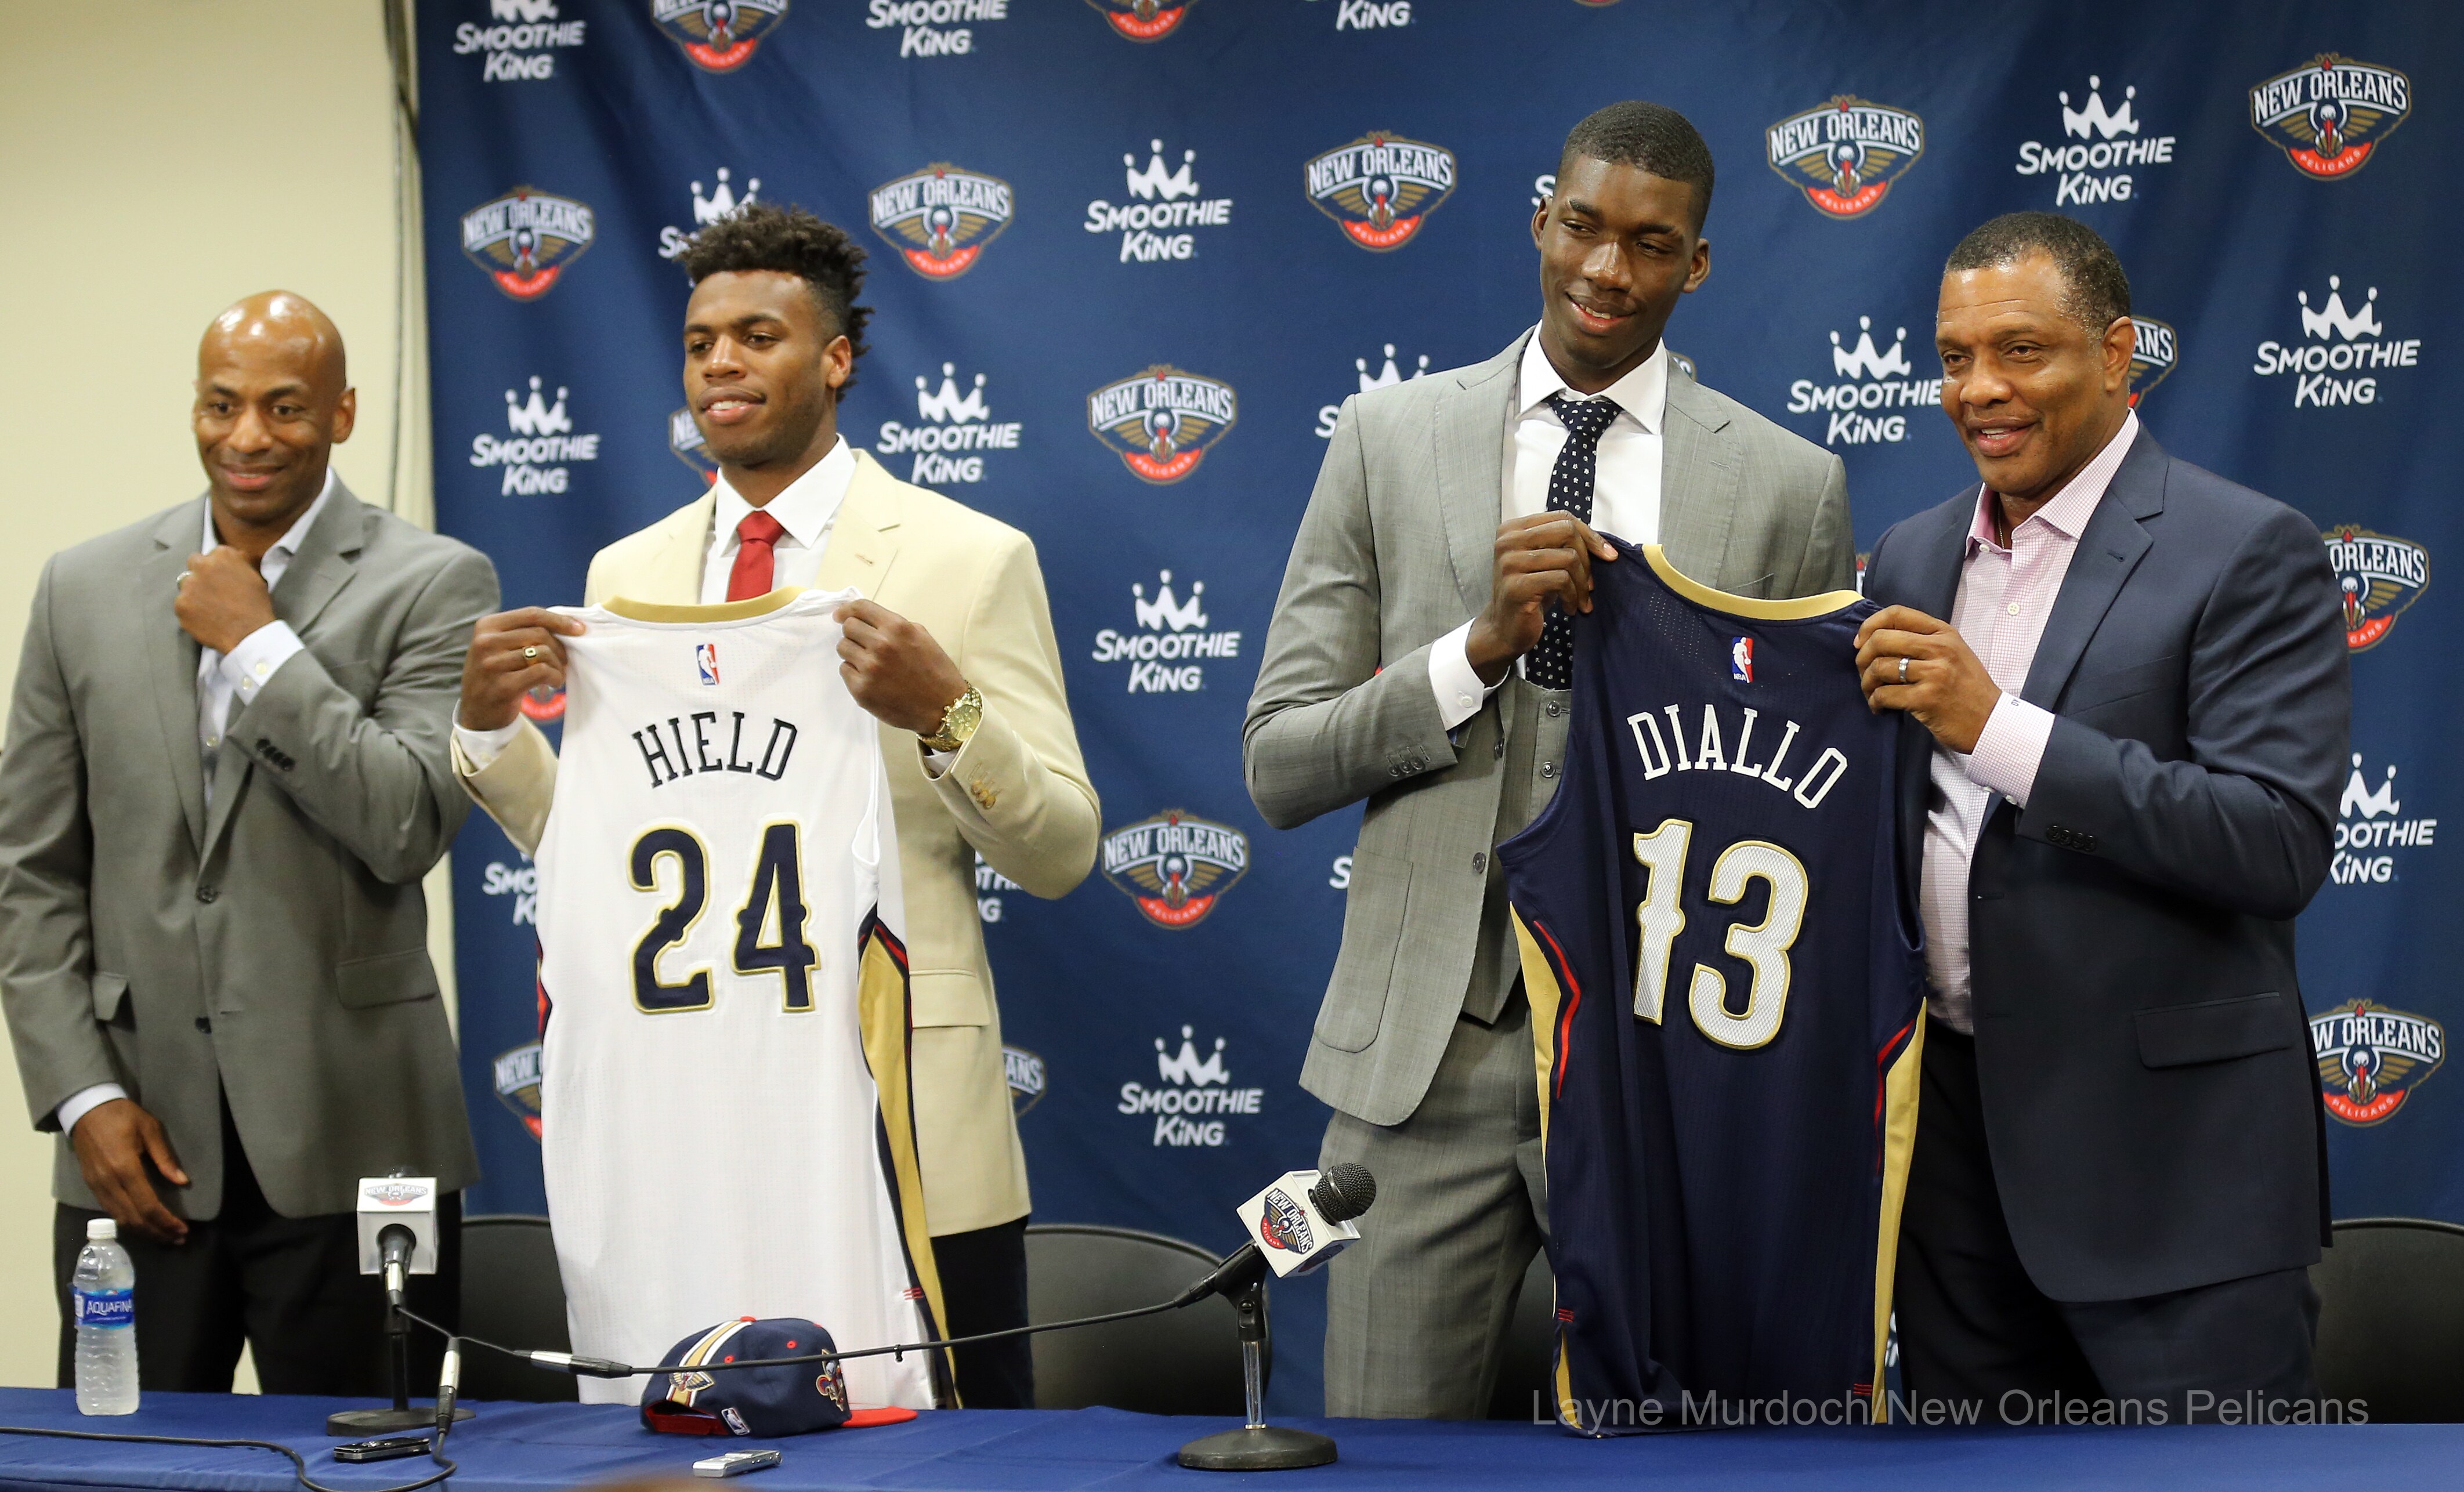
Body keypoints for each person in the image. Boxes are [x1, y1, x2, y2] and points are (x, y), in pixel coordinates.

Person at [1244, 101, 1853, 1419]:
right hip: (1429, 1065)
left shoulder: (1790, 486)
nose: (1606, 271)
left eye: (1650, 244)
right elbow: (1279, 762)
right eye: (1583, 225)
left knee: (1689, 1453)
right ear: (1542, 217)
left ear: (1695, 265)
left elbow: (1808, 812)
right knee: (1389, 1452)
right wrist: (1472, 652)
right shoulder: (1388, 437)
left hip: (1672, 1060)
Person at [452, 202, 1097, 1409]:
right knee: (677, 1454)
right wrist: (487, 731)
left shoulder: (965, 557)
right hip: (693, 1118)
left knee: (946, 1465)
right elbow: (607, 849)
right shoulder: (628, 575)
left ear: (837, 357)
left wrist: (947, 710)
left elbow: (1062, 844)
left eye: (758, 334)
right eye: (701, 342)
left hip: (899, 1118)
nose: (722, 365)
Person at [1856, 212, 2347, 1421]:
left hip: (2175, 1181)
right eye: (1956, 356)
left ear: (2117, 352)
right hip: (1954, 1180)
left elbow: (2274, 837)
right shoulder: (1910, 559)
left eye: (2021, 349)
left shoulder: (2246, 548)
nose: (1981, 389)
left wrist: (1999, 730)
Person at [0, 292, 492, 1393]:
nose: (249, 436)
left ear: (344, 413)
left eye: (284, 406)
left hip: (358, 1144)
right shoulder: (80, 587)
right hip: (136, 1150)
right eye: (222, 405)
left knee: (373, 1464)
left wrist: (260, 645)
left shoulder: (436, 582)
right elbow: (29, 873)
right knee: (124, 1467)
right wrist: (82, 1095)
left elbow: (404, 822)